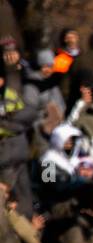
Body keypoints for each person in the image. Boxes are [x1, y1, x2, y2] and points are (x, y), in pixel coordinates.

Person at [0, 57, 37, 217]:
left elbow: (29, 114)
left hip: (23, 157)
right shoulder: (50, 155)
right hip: (8, 159)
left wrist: (9, 120)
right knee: (12, 201)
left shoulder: (11, 96)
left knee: (27, 195)